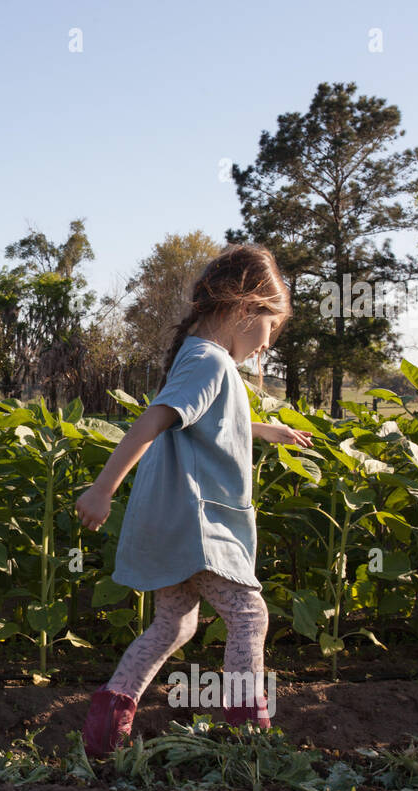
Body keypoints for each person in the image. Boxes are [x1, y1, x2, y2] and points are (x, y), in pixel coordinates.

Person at [73, 243, 313, 757]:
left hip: (173, 526)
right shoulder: (210, 361)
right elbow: (153, 419)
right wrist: (102, 488)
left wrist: (268, 430)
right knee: (249, 614)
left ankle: (106, 726)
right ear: (246, 308)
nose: (266, 346)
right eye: (270, 329)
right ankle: (248, 738)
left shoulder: (200, 359)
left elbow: (213, 422)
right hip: (197, 527)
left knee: (174, 624)